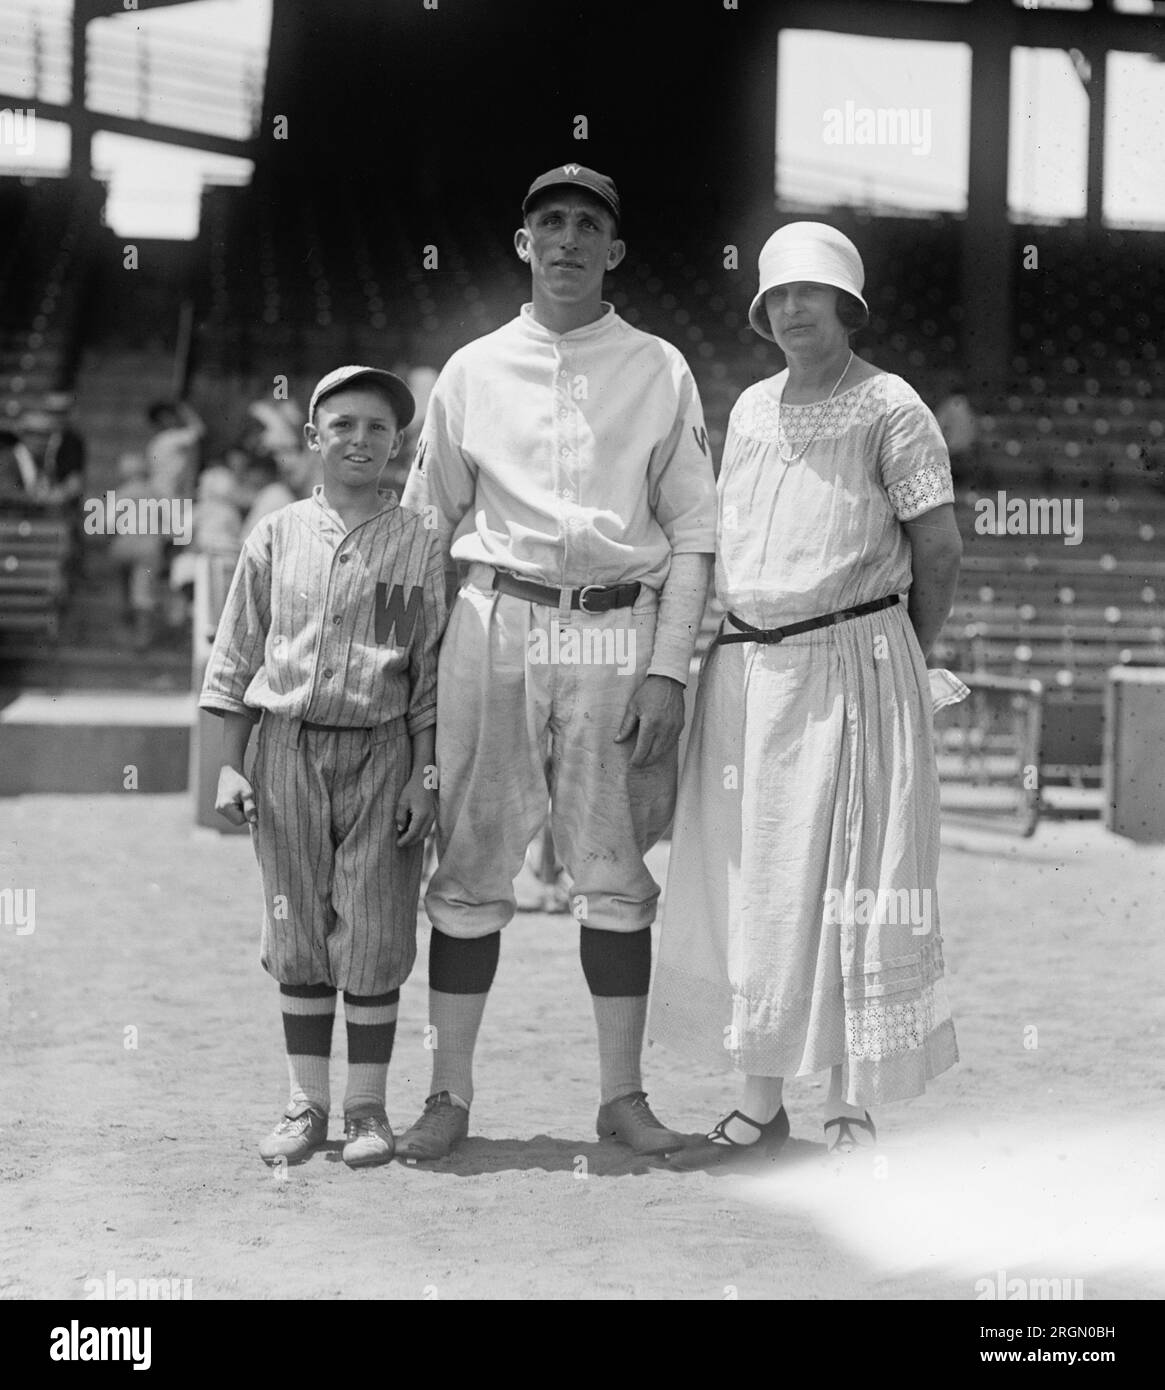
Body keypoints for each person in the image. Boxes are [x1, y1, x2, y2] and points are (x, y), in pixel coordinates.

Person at [397, 164, 717, 1160]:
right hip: (496, 620)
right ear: (522, 242)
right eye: (550, 223)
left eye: (589, 224)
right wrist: (400, 675)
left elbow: (697, 528)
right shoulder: (472, 368)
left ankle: (621, 1095)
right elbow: (421, 524)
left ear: (614, 248)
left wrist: (668, 666)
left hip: (616, 628)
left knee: (614, 872)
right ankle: (448, 1094)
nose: (569, 238)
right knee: (471, 863)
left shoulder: (659, 366)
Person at [648, 222, 963, 1167]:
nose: (792, 309)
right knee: (753, 887)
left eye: (810, 293)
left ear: (846, 305)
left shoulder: (891, 405)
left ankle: (846, 1107)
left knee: (848, 884)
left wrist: (906, 653)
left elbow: (937, 547)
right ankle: (756, 1103)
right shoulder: (745, 409)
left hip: (854, 666)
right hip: (747, 673)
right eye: (777, 295)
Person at [199, 366, 447, 1169]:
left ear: (400, 443)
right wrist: (227, 768)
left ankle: (368, 1108)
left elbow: (429, 676)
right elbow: (235, 657)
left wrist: (423, 775)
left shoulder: (419, 539)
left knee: (373, 931)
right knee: (296, 927)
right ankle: (307, 1102)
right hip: (287, 746)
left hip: (381, 750)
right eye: (343, 424)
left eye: (379, 427)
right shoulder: (275, 532)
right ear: (313, 437)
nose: (360, 440)